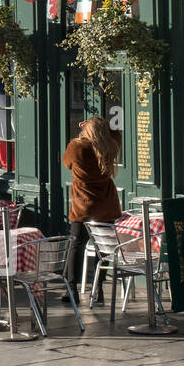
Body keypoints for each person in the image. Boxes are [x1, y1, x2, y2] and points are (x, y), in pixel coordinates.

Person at [62, 115, 123, 305]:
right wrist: (100, 127)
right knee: (102, 249)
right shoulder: (110, 145)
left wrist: (84, 129)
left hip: (83, 205)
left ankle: (71, 289)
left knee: (76, 245)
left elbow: (66, 163)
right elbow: (116, 133)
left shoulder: (77, 147)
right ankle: (98, 291)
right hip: (106, 204)